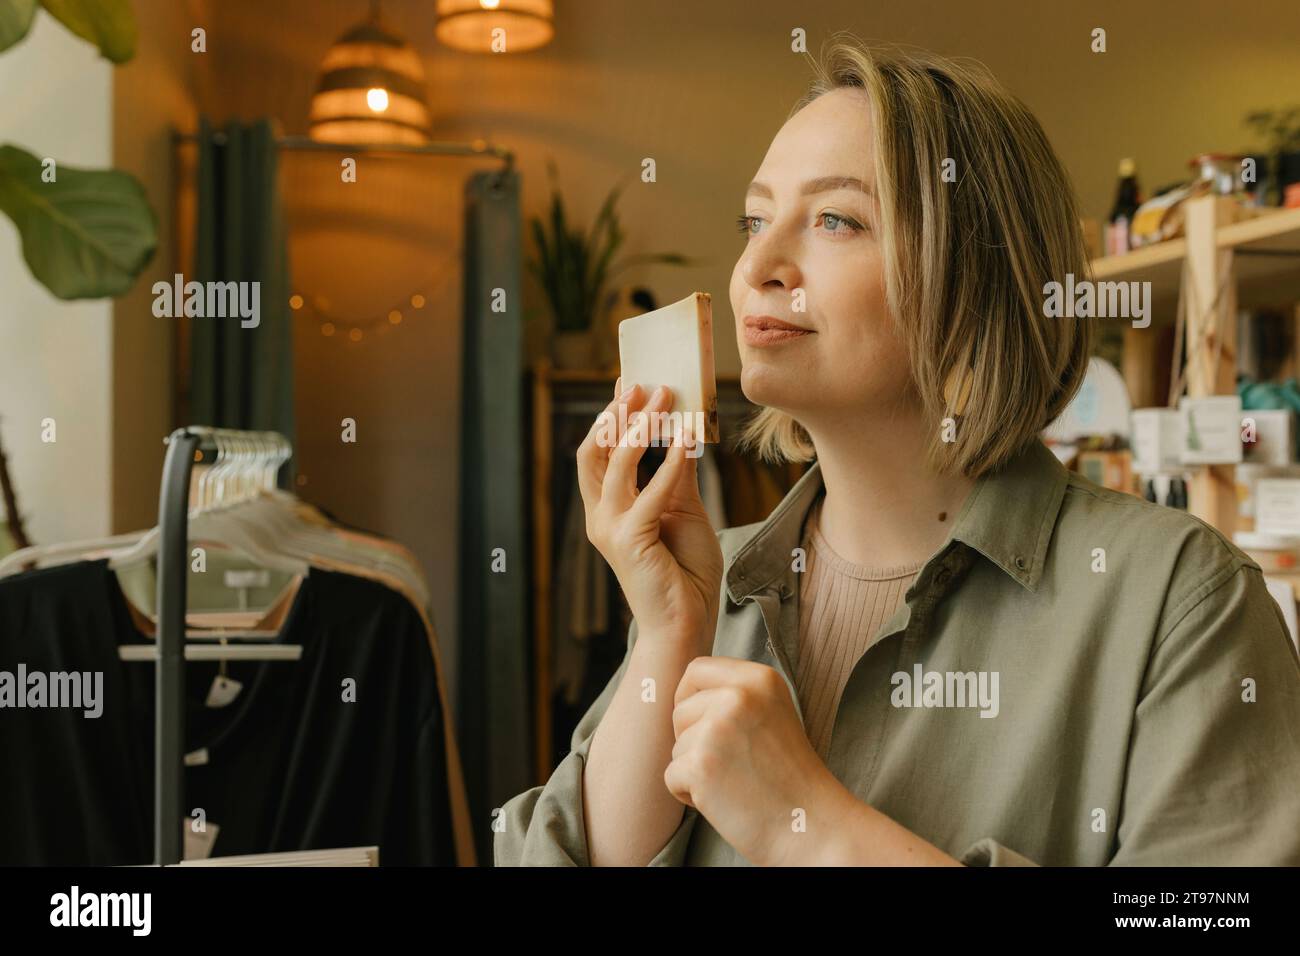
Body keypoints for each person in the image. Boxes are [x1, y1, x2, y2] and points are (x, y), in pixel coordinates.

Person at [495, 37, 1300, 866]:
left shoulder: (1179, 603)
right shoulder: (705, 594)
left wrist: (810, 827)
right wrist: (667, 631)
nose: (757, 268)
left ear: (978, 275)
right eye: (756, 219)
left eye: (836, 220)